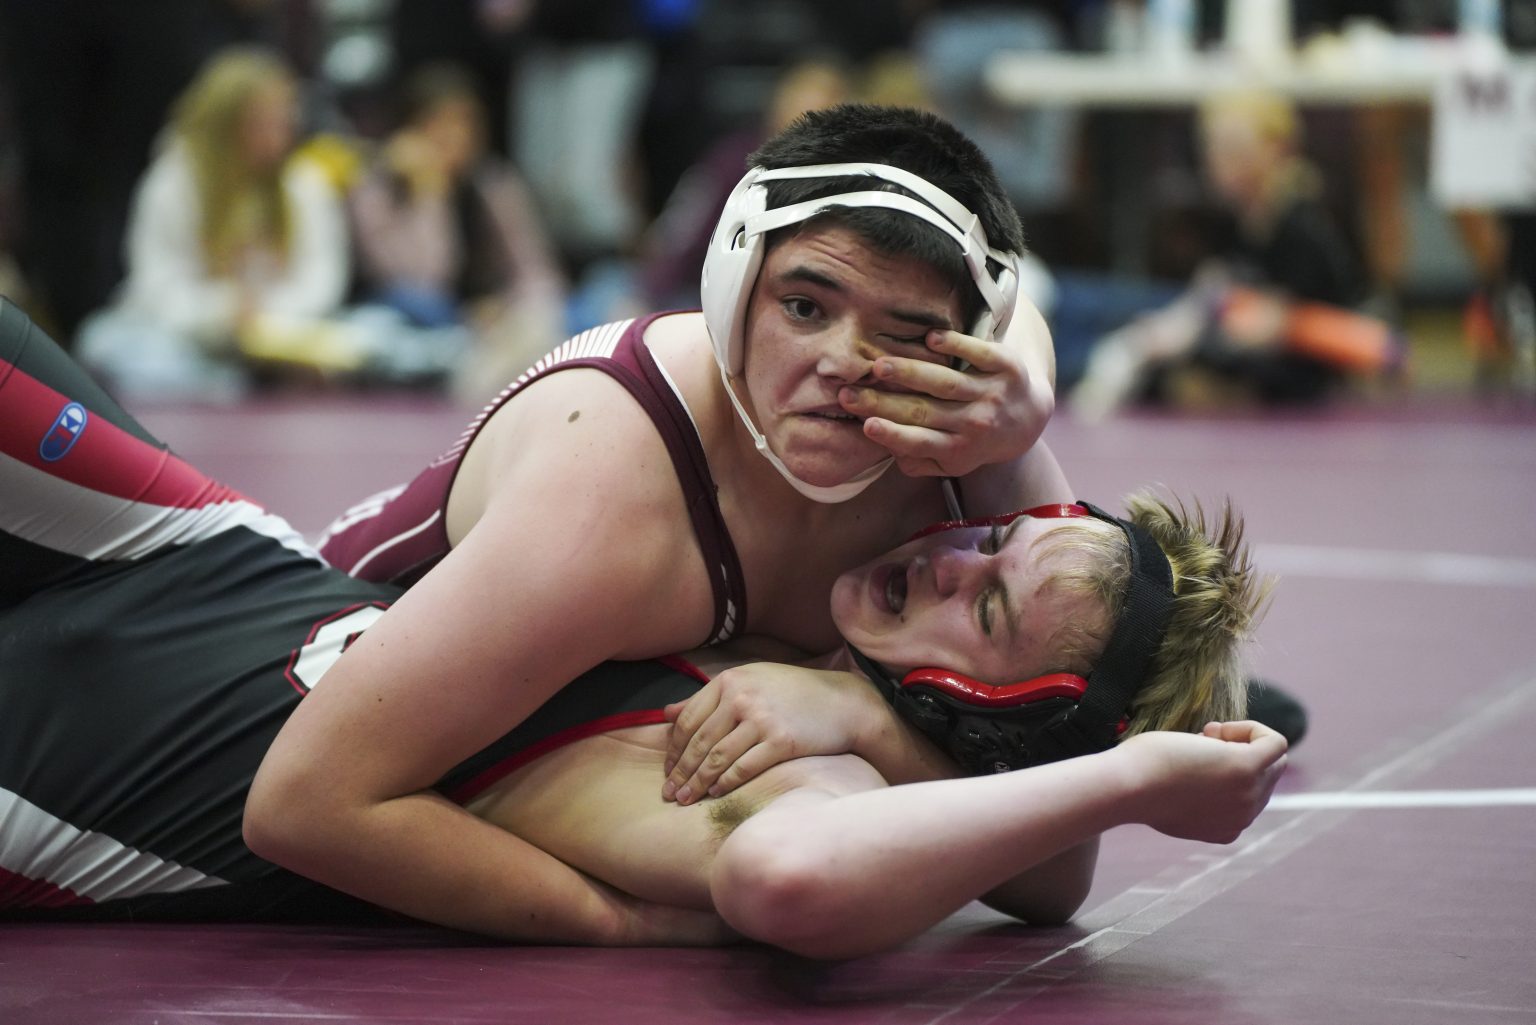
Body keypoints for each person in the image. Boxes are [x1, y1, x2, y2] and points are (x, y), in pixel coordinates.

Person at [0, 298, 1283, 955]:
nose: (950, 544)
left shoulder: (775, 763)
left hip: (89, 773)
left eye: (984, 600)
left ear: (1000, 712)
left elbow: (801, 873)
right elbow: (993, 330)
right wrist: (1029, 411)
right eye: (993, 530)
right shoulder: (840, 636)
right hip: (208, 567)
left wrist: (1131, 772)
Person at [247, 103, 1076, 939]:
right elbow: (303, 801)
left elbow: (1057, 874)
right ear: (732, 285)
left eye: (905, 335)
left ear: (974, 346)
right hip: (287, 691)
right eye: (803, 308)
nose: (842, 365)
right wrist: (616, 924)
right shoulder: (612, 485)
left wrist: (862, 720)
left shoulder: (976, 450)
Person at [1070, 89, 1401, 418]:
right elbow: (1215, 289)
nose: (1218, 161)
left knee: (1213, 350)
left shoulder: (1302, 225)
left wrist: (1213, 325)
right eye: (1213, 147)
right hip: (1261, 343)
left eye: (1233, 148)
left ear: (1276, 149)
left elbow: (1279, 321)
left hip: (1318, 358)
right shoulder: (1234, 222)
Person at [74, 46, 351, 401]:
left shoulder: (302, 184)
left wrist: (269, 316)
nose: (277, 134)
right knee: (103, 340)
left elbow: (322, 277)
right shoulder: (173, 182)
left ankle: (254, 380)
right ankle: (233, 386)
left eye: (283, 120)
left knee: (376, 330)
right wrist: (220, 313)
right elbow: (155, 285)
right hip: (186, 343)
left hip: (281, 337)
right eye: (260, 122)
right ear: (224, 124)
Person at [349, 62, 568, 405]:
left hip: (481, 330)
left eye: (465, 121)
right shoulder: (377, 186)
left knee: (571, 315)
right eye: (441, 123)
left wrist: (514, 309)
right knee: (401, 317)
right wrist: (428, 194)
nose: (456, 135)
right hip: (413, 324)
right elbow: (422, 280)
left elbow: (536, 273)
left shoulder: (493, 186)